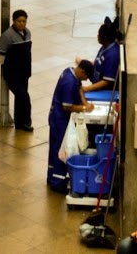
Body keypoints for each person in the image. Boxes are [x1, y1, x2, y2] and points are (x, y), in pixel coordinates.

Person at [46, 59, 94, 192]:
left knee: (55, 149)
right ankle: (57, 182)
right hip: (59, 120)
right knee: (60, 150)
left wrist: (85, 104)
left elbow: (79, 89)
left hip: (58, 118)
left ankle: (52, 176)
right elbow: (67, 106)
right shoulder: (68, 82)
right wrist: (85, 108)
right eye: (86, 78)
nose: (85, 80)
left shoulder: (71, 72)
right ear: (82, 72)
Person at [0, 9, 33, 131]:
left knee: (20, 98)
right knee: (24, 97)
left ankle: (20, 124)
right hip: (13, 75)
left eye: (24, 21)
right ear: (14, 21)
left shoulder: (28, 33)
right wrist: (9, 65)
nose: (21, 23)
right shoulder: (7, 36)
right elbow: (0, 54)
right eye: (19, 21)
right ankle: (25, 122)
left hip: (24, 73)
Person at [82, 17, 122, 94]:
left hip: (105, 91)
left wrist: (87, 88)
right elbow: (99, 61)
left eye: (99, 34)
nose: (97, 36)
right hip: (96, 82)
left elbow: (106, 82)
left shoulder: (113, 55)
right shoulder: (105, 45)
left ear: (104, 38)